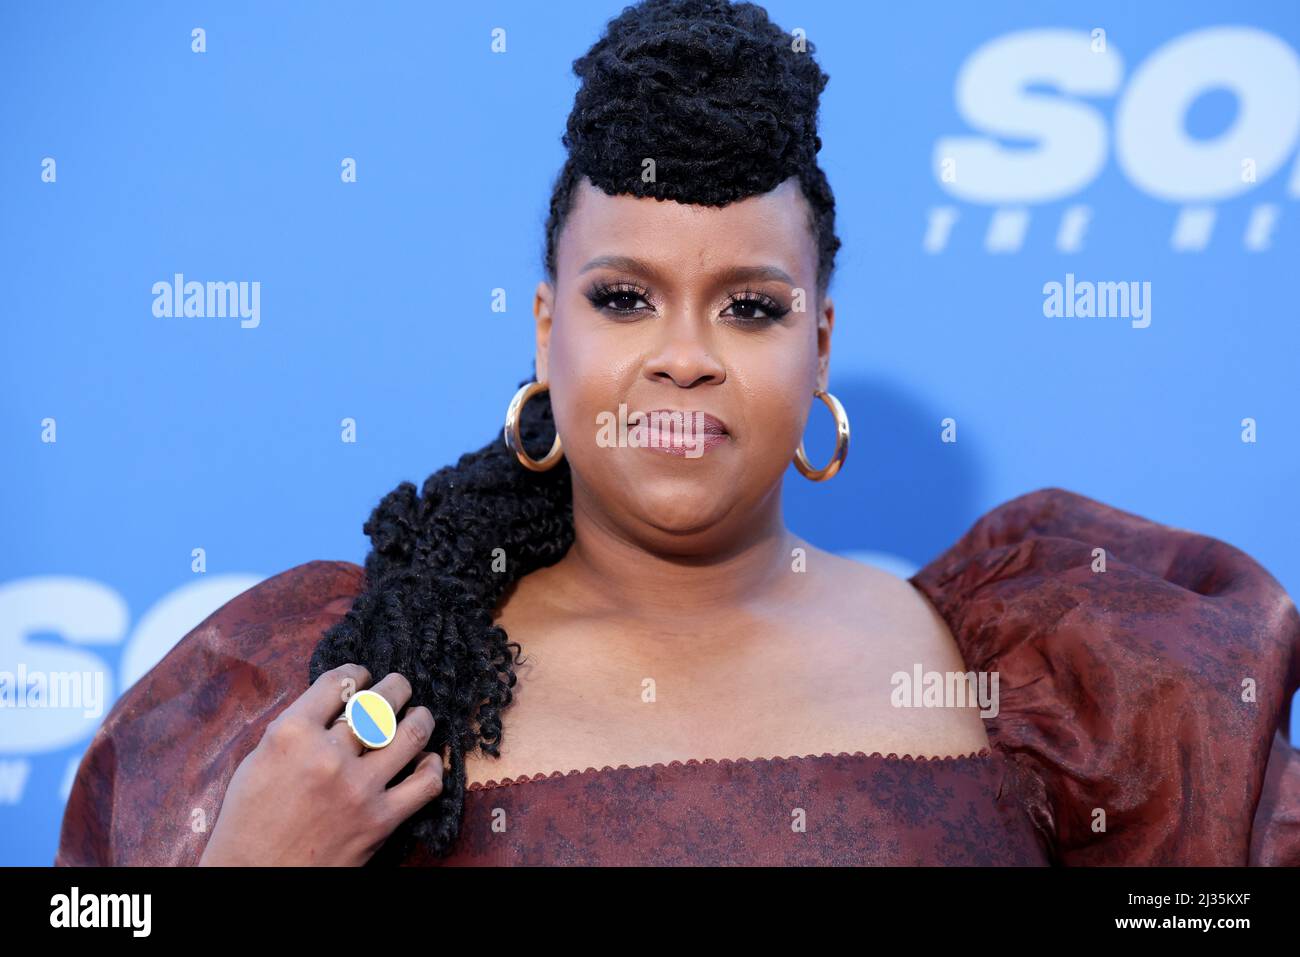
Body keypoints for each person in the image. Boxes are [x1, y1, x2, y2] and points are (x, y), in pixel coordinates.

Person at [56, 0, 1300, 867]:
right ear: (547, 332)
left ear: (819, 345)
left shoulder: (1035, 669)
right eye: (623, 297)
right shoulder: (355, 680)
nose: (684, 351)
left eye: (749, 307)